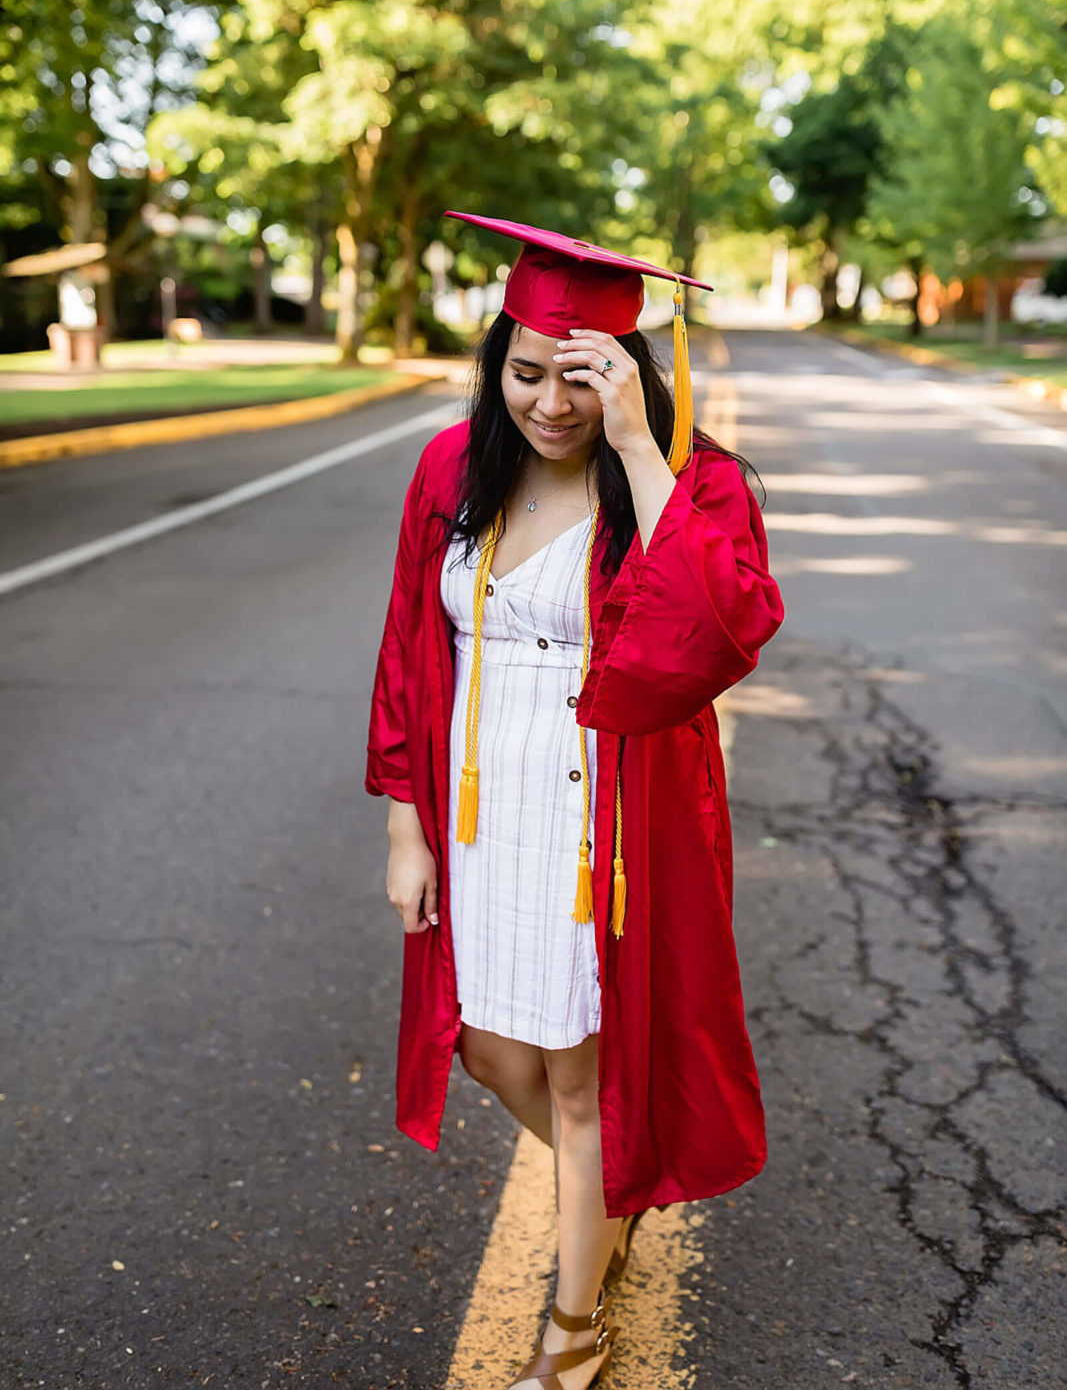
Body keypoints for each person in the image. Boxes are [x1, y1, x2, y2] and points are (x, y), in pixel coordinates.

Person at [365, 212, 786, 1389]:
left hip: (611, 810)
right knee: (496, 1049)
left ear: (628, 372)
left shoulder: (683, 480)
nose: (550, 402)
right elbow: (407, 642)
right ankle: (610, 1189)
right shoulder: (452, 468)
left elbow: (718, 627)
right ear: (496, 362)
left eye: (583, 374)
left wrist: (641, 451)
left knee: (582, 1073)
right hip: (480, 802)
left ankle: (571, 1330)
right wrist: (405, 821)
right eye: (527, 371)